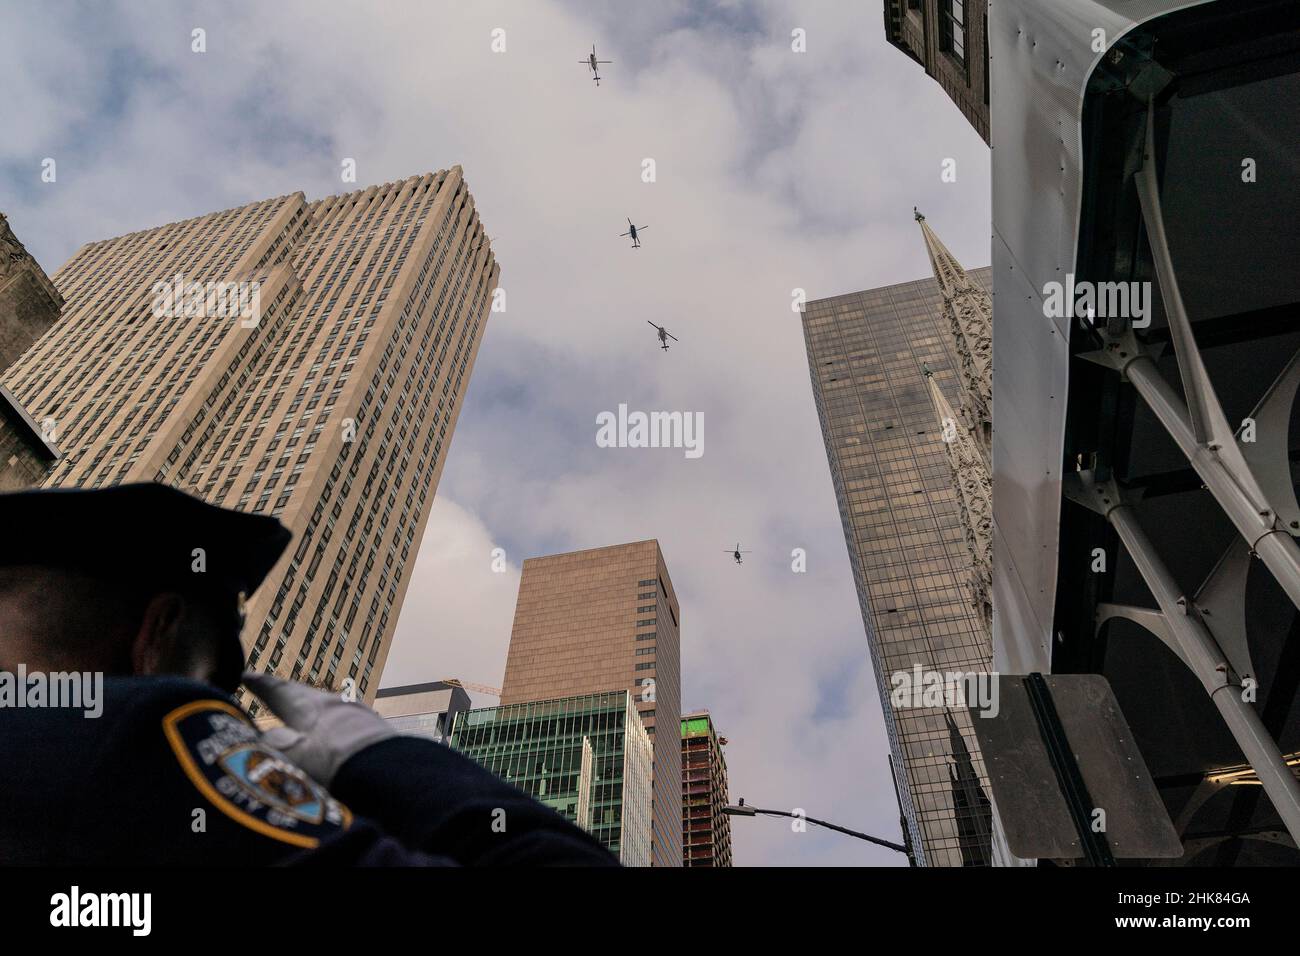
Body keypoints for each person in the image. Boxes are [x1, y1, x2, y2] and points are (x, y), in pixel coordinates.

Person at [0, 482, 617, 866]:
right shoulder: (135, 734)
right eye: (215, 686)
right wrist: (382, 757)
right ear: (155, 638)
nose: (225, 713)